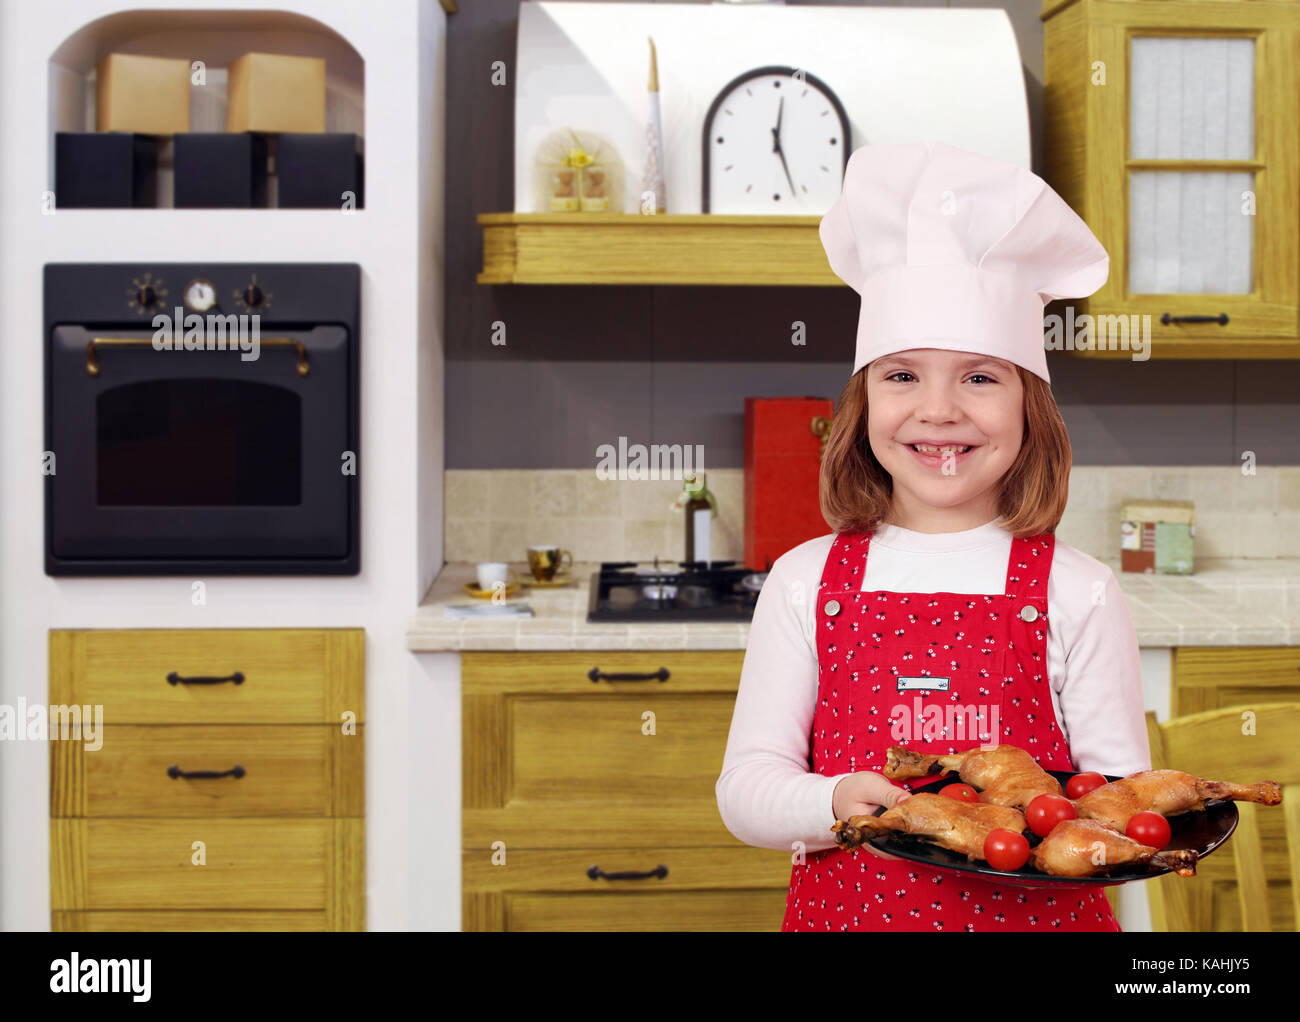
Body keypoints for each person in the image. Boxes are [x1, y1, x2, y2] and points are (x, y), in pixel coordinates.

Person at [716, 140, 1150, 932]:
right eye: (903, 374)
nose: (939, 410)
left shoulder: (1078, 590)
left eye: (980, 376)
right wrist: (832, 800)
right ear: (862, 404)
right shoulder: (805, 581)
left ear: (1031, 409)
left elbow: (1119, 800)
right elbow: (746, 789)